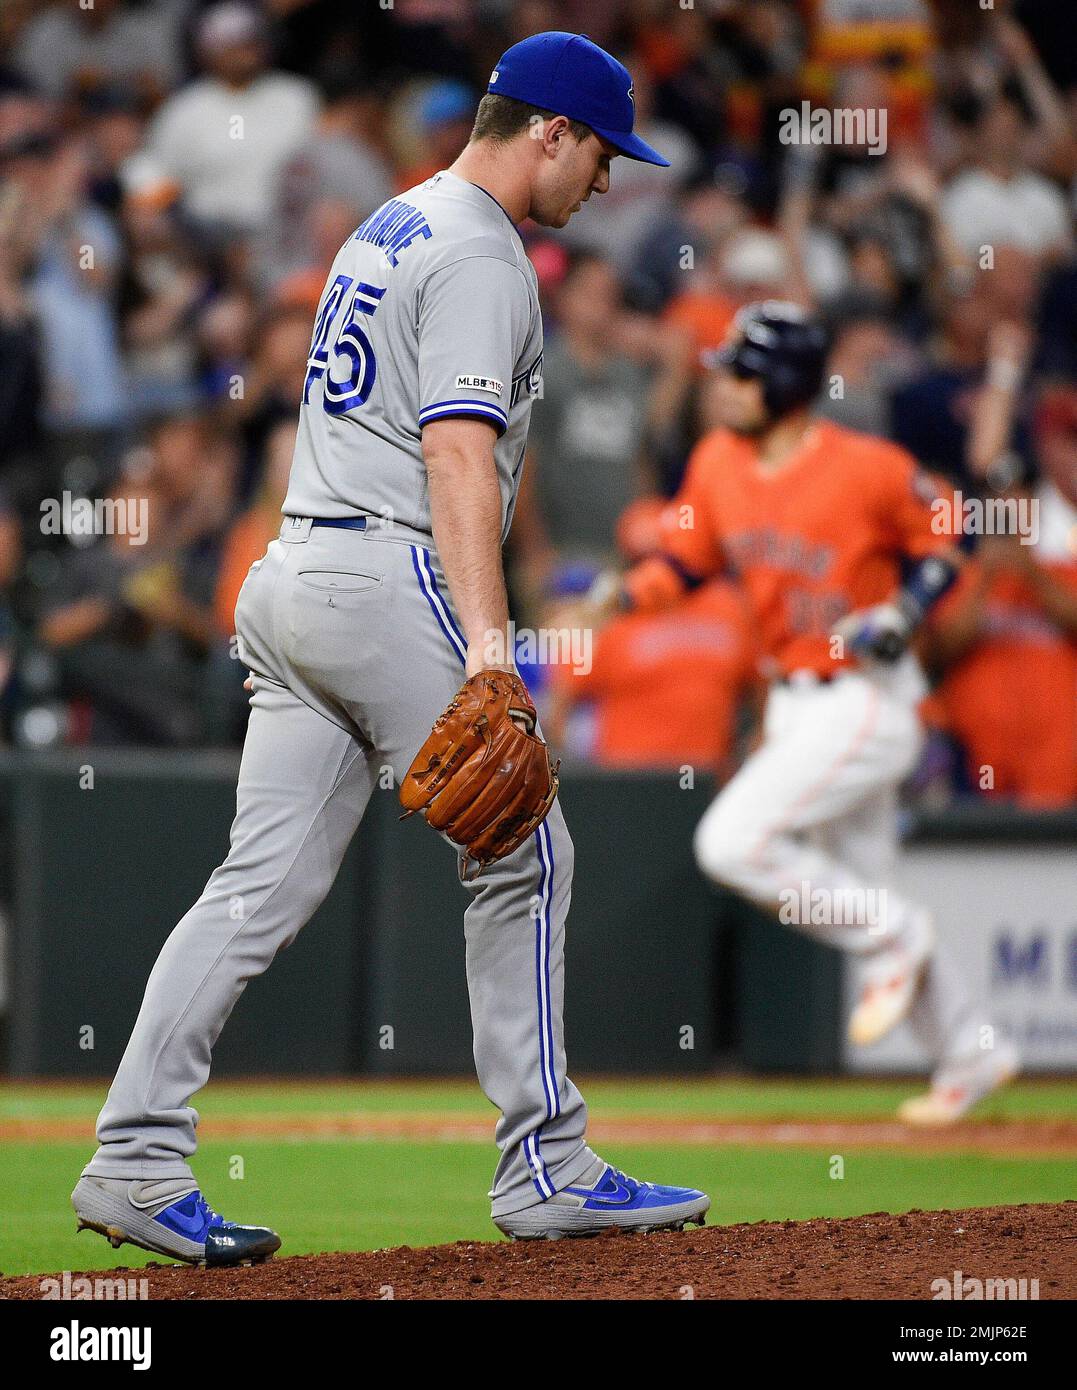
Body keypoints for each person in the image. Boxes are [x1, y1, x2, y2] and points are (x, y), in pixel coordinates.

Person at [71, 32, 710, 1267]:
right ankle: (548, 1163)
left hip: (292, 570)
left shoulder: (392, 223)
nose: (607, 185)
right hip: (382, 569)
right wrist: (489, 650)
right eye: (600, 155)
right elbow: (457, 450)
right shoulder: (483, 251)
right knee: (527, 852)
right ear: (552, 133)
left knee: (255, 887)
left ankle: (135, 1156)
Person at [608, 301, 1020, 1126]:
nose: (723, 384)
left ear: (785, 383)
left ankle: (894, 936)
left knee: (730, 842)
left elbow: (953, 531)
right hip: (796, 704)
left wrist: (906, 608)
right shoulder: (719, 464)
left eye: (741, 371)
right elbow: (683, 567)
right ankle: (972, 1050)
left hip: (864, 697)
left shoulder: (864, 465)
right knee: (863, 888)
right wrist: (613, 602)